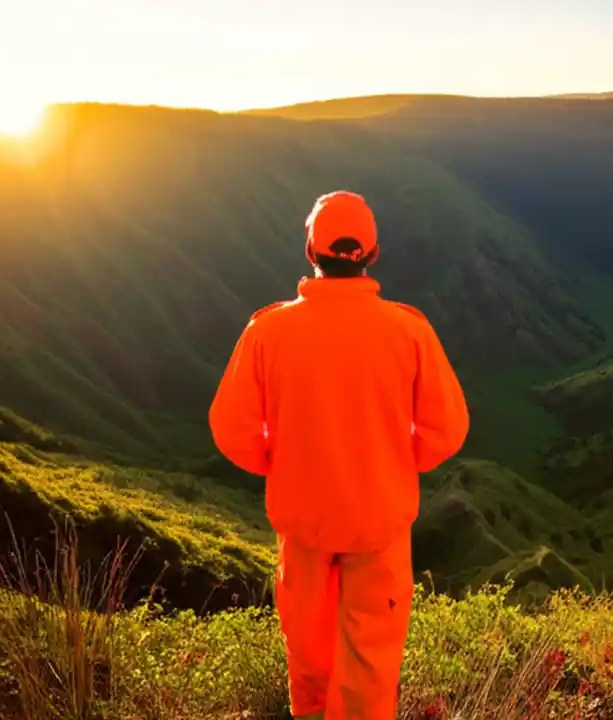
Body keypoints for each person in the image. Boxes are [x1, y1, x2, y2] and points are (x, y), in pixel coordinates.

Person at [209, 190, 469, 719]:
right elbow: (447, 430)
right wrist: (394, 460)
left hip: (303, 527)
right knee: (369, 671)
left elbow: (230, 430)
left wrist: (281, 461)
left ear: (311, 250)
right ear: (372, 254)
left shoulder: (268, 331)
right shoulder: (408, 331)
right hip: (379, 526)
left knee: (309, 663)